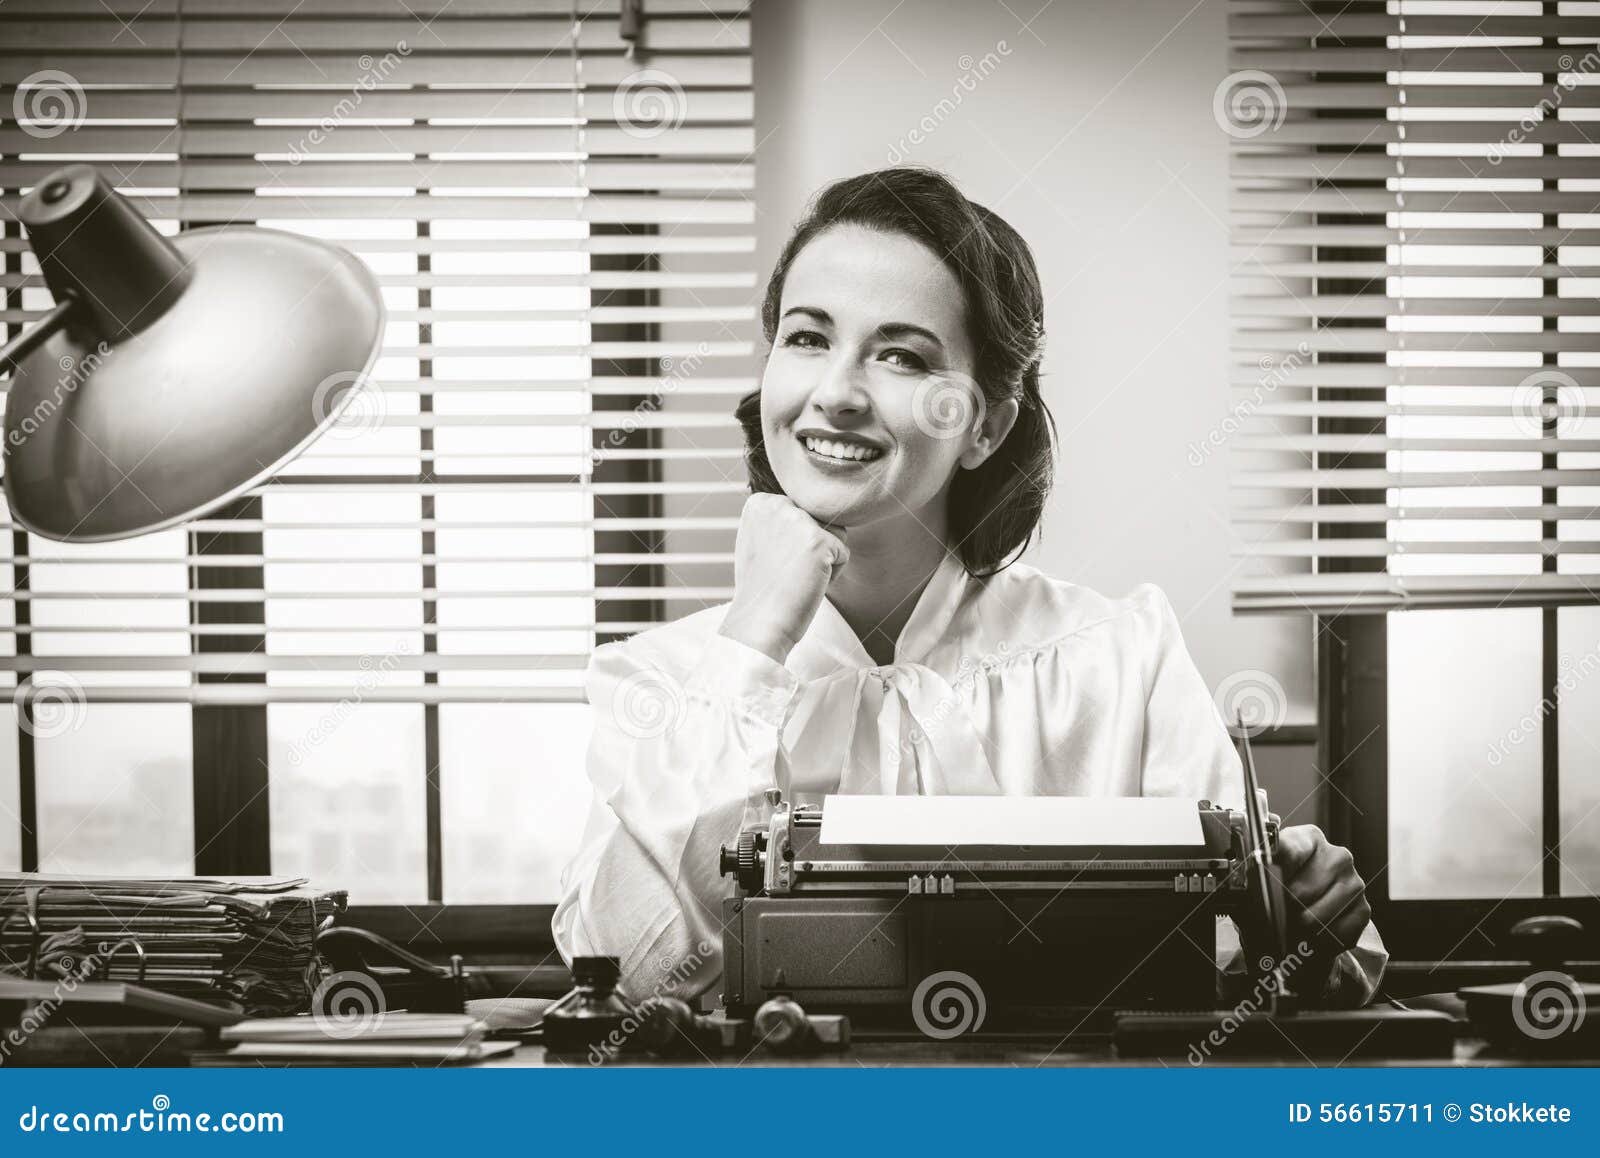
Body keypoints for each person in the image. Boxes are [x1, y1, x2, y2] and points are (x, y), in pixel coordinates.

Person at [553, 166, 1386, 1011]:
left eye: (902, 356)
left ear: (985, 423)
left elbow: (1264, 981)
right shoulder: (654, 679)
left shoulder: (1119, 656)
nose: (836, 394)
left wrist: (1306, 932)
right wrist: (754, 641)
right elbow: (625, 981)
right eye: (806, 339)